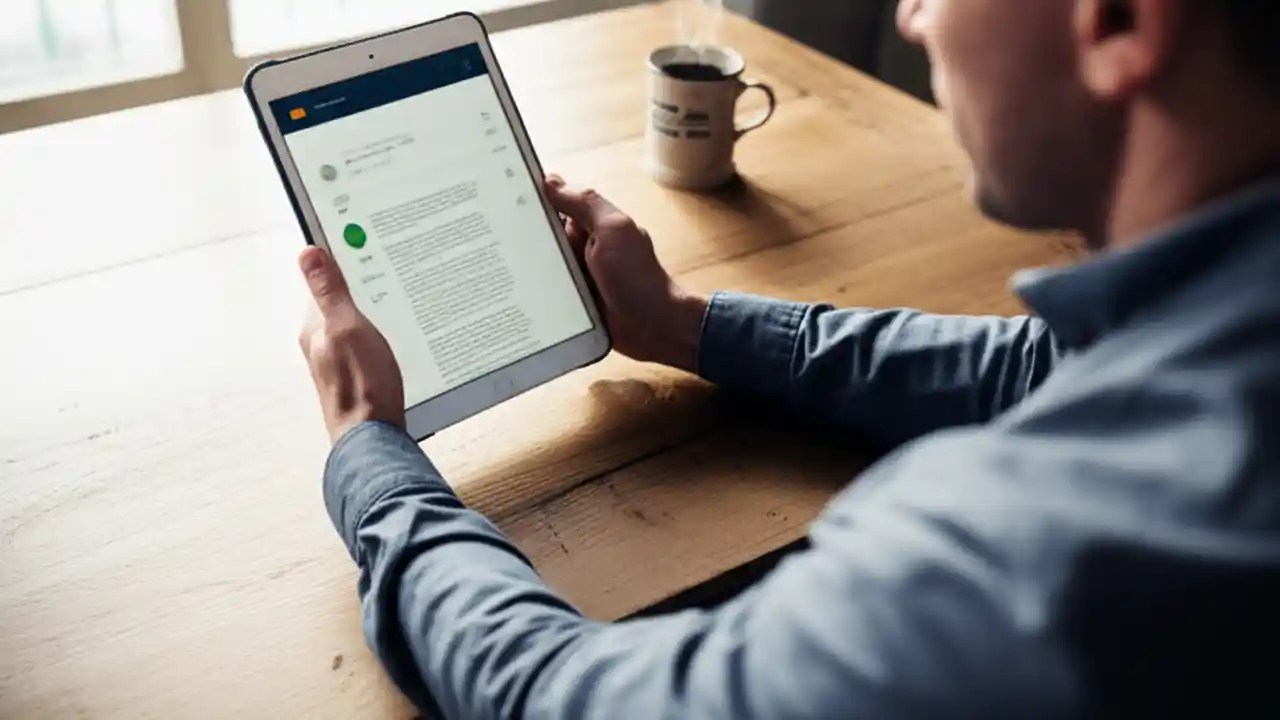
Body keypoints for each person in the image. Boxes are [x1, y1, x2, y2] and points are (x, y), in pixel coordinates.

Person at [296, 0, 1280, 717]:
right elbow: (1042, 366)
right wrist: (684, 325)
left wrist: (371, 454)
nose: (911, 19)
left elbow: (568, 699)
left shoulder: (1017, 565)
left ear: (1115, 22)